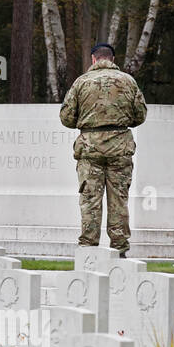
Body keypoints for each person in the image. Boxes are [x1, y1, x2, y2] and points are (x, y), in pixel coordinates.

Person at [59, 43, 147, 258]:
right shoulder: (128, 82)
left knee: (90, 200)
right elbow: (140, 115)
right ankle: (119, 248)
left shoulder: (81, 83)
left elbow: (66, 117)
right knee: (118, 199)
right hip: (120, 148)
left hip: (90, 149)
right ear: (113, 59)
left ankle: (88, 249)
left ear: (93, 59)